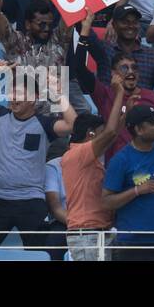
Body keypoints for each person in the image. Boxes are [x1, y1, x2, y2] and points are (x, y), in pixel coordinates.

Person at [0, 59, 75, 259]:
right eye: (12, 92)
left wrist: (57, 93)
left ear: (35, 98)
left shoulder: (44, 123)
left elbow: (73, 124)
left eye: (21, 93)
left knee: (41, 255)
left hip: (31, 199)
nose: (14, 97)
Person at [59, 67, 127, 260]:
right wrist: (120, 93)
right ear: (90, 134)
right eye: (99, 133)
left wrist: (125, 115)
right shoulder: (79, 153)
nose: (102, 138)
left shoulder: (82, 155)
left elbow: (112, 135)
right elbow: (111, 133)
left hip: (95, 233)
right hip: (88, 235)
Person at [101, 105, 154, 260]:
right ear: (138, 129)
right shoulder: (120, 160)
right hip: (132, 241)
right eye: (153, 123)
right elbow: (106, 202)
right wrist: (136, 191)